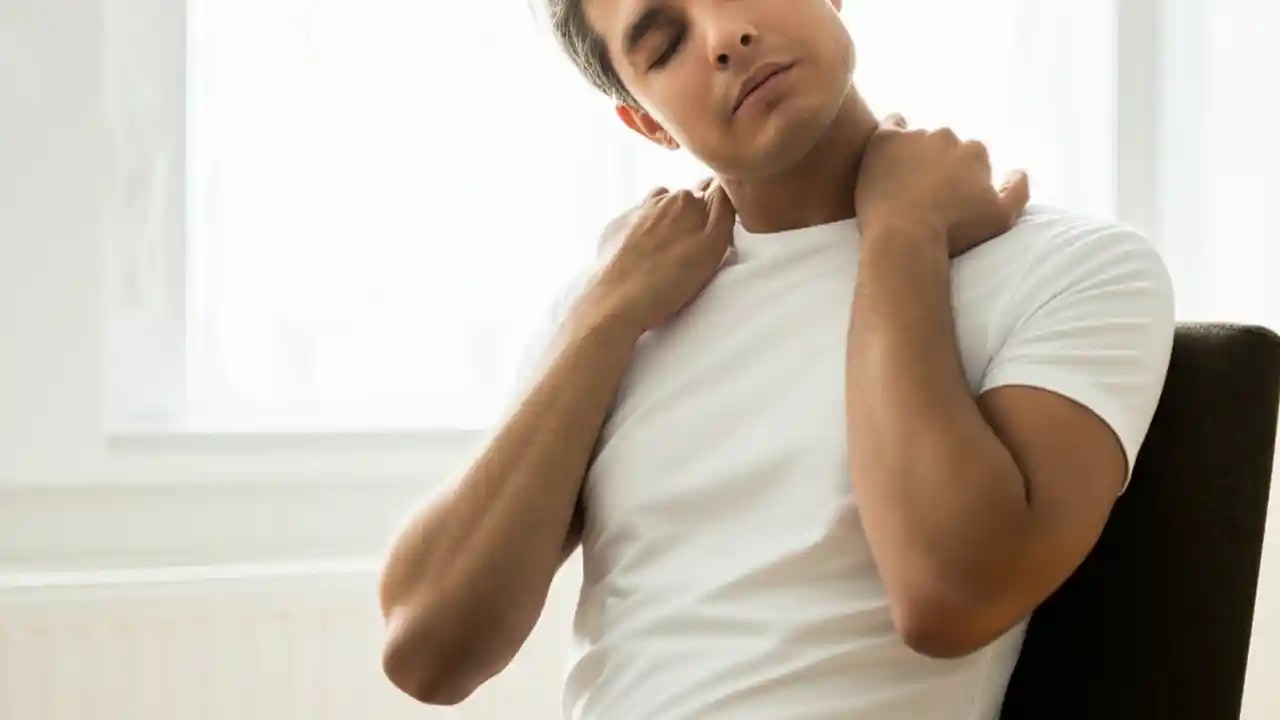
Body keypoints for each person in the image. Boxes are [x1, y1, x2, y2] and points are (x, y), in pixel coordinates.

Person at [377, 0, 1176, 717]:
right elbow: (427, 654)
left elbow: (951, 598)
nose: (725, 36)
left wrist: (900, 235)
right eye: (664, 45)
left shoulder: (1072, 268)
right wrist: (605, 317)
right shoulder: (625, 306)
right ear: (648, 123)